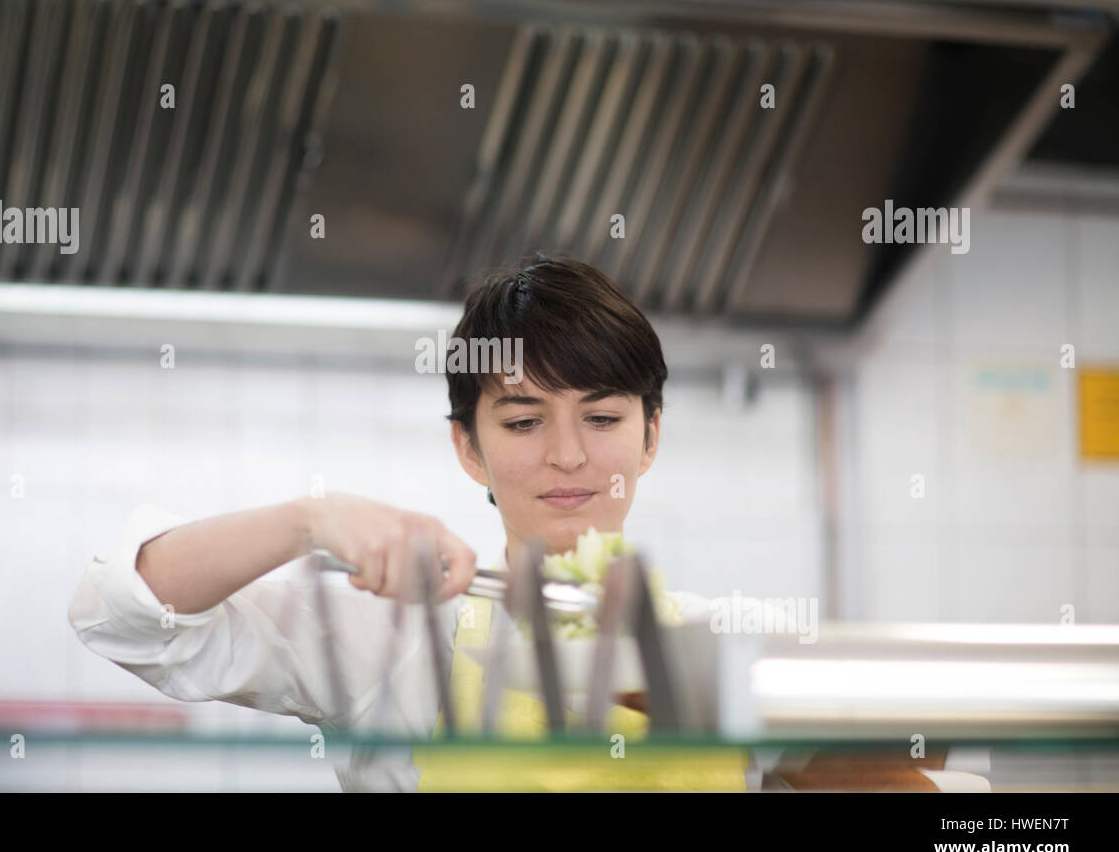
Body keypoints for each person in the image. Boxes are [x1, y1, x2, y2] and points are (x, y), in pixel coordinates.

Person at [67, 254, 751, 791]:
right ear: (468, 448)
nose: (568, 455)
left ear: (651, 436)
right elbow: (123, 616)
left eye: (602, 418)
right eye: (522, 421)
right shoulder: (397, 640)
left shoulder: (728, 650)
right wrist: (312, 519)